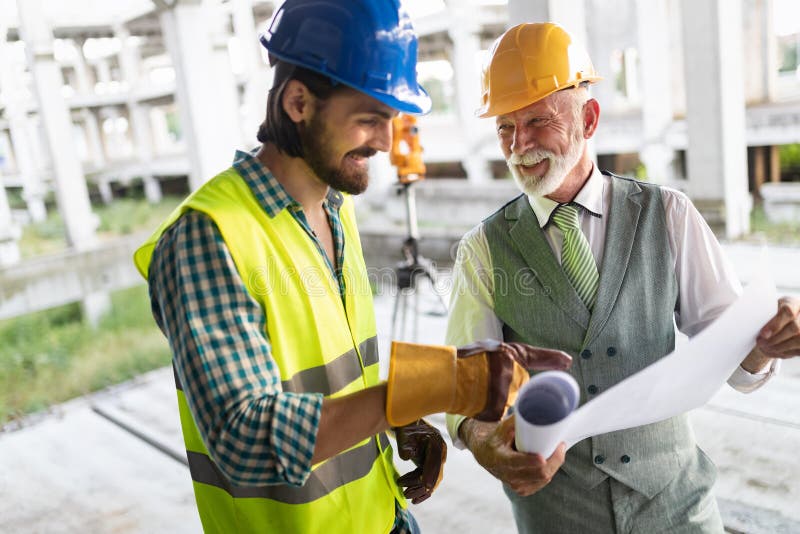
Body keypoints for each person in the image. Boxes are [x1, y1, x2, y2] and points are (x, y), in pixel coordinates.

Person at [133, 3, 571, 533]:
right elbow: (245, 439)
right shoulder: (208, 237)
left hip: (382, 515)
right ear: (298, 102)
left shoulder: (336, 210)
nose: (386, 143)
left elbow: (334, 379)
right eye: (368, 118)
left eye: (389, 119)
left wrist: (398, 421)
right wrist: (442, 383)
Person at [445, 22, 800, 533]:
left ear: (588, 118)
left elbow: (735, 356)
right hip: (560, 517)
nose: (519, 144)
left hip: (677, 510)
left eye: (537, 121)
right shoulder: (482, 249)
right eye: (505, 127)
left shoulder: (669, 215)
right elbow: (466, 388)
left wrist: (770, 339)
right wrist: (483, 443)